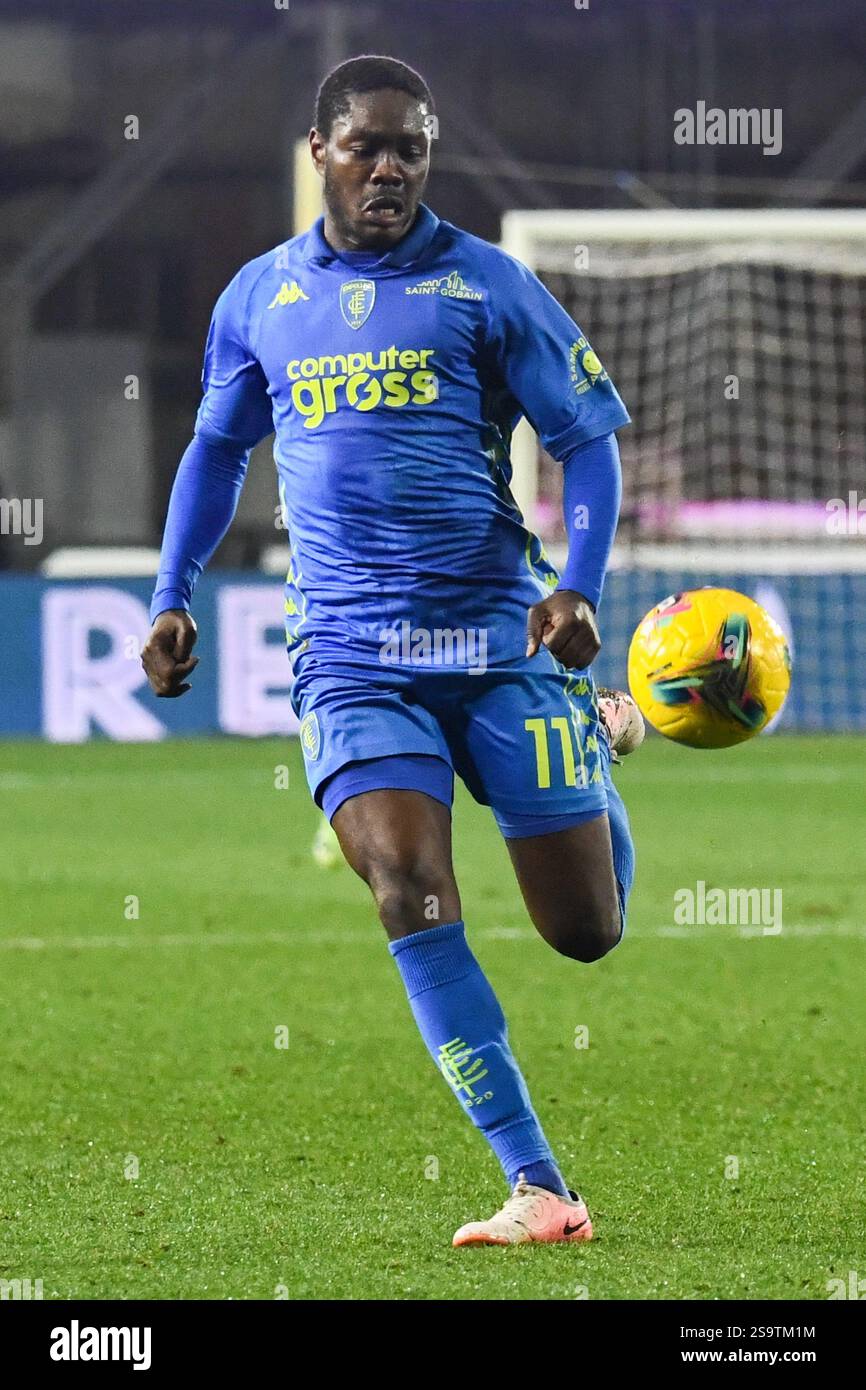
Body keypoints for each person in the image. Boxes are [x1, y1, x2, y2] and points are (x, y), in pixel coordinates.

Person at [142, 55, 643, 1247]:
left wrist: (576, 586)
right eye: (365, 146)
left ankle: (593, 735)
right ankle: (537, 1185)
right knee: (405, 885)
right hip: (350, 652)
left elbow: (587, 440)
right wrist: (171, 594)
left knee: (585, 931)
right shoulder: (259, 296)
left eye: (409, 150)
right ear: (318, 152)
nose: (388, 170)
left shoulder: (487, 285)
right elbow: (217, 450)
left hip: (495, 637)